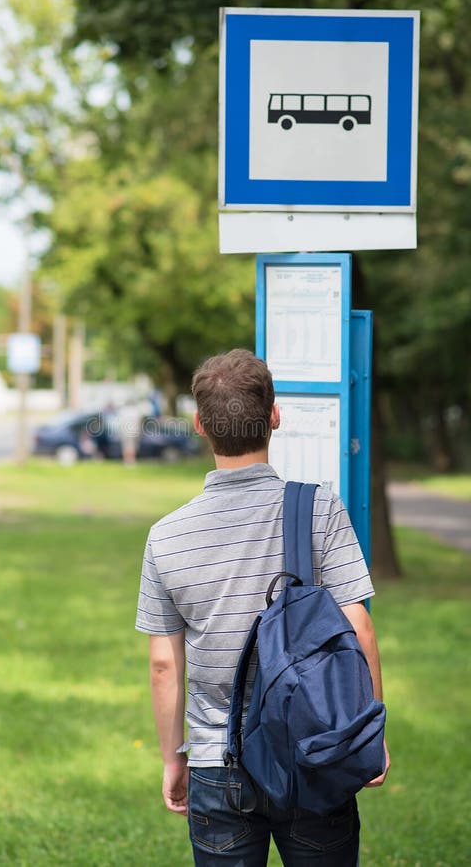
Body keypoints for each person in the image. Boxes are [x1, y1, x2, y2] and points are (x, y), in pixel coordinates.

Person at [135, 349, 389, 866]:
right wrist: (367, 732)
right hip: (315, 748)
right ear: (275, 416)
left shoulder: (165, 537)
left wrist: (173, 757)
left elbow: (164, 665)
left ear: (199, 423)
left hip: (216, 760)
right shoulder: (319, 507)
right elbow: (359, 628)